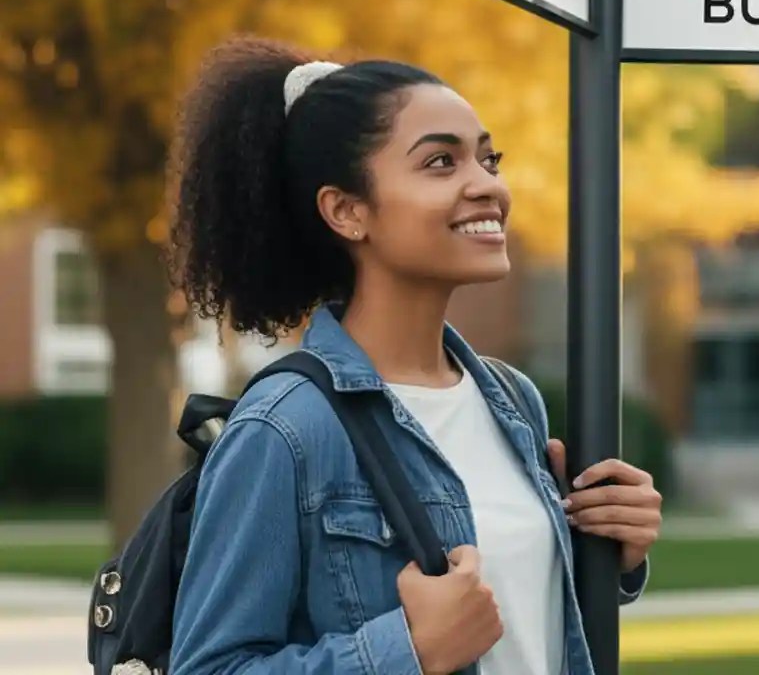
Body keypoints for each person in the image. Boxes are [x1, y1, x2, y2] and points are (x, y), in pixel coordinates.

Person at [166, 36, 662, 675]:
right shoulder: (287, 427)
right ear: (346, 211)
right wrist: (409, 651)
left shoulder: (511, 401)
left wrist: (611, 557)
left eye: (489, 159)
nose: (487, 186)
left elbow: (528, 629)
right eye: (440, 163)